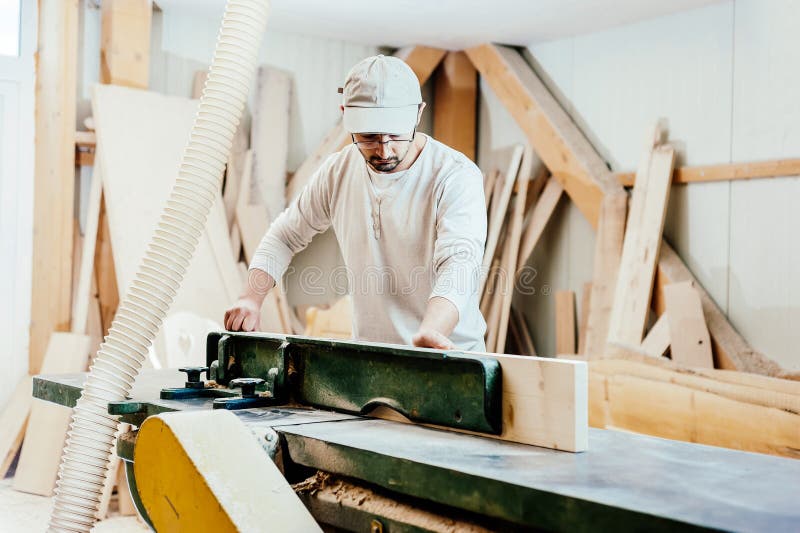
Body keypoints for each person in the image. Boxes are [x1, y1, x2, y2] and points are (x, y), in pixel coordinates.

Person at [224, 54, 487, 351]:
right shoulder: (338, 171)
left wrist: (432, 332)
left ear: (418, 114)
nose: (384, 149)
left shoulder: (455, 175)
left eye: (395, 135)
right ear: (345, 116)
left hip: (447, 356)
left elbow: (458, 263)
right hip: (372, 356)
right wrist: (250, 297)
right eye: (369, 136)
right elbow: (285, 235)